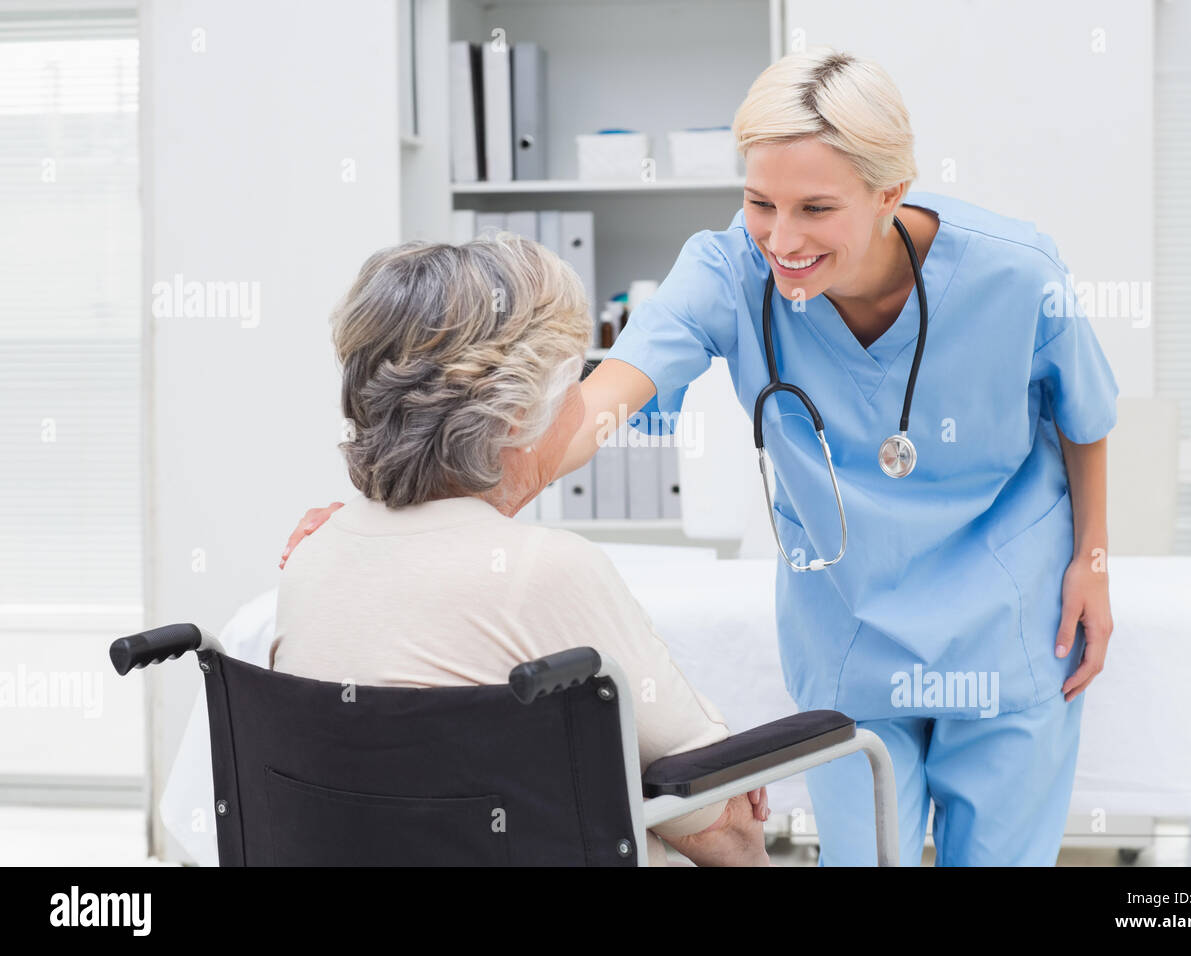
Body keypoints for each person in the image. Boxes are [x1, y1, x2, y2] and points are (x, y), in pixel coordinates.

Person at [285, 47, 1120, 866]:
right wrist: (410, 521)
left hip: (1008, 623)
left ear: (888, 193)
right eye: (760, 202)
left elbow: (1085, 416)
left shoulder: (1016, 272)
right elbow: (604, 400)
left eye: (815, 210)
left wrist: (1092, 560)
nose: (781, 240)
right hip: (853, 628)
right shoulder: (725, 271)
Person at [273, 235, 770, 866]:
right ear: (515, 416)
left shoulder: (312, 556)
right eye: (573, 379)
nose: (586, 400)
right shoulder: (547, 570)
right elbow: (716, 816)